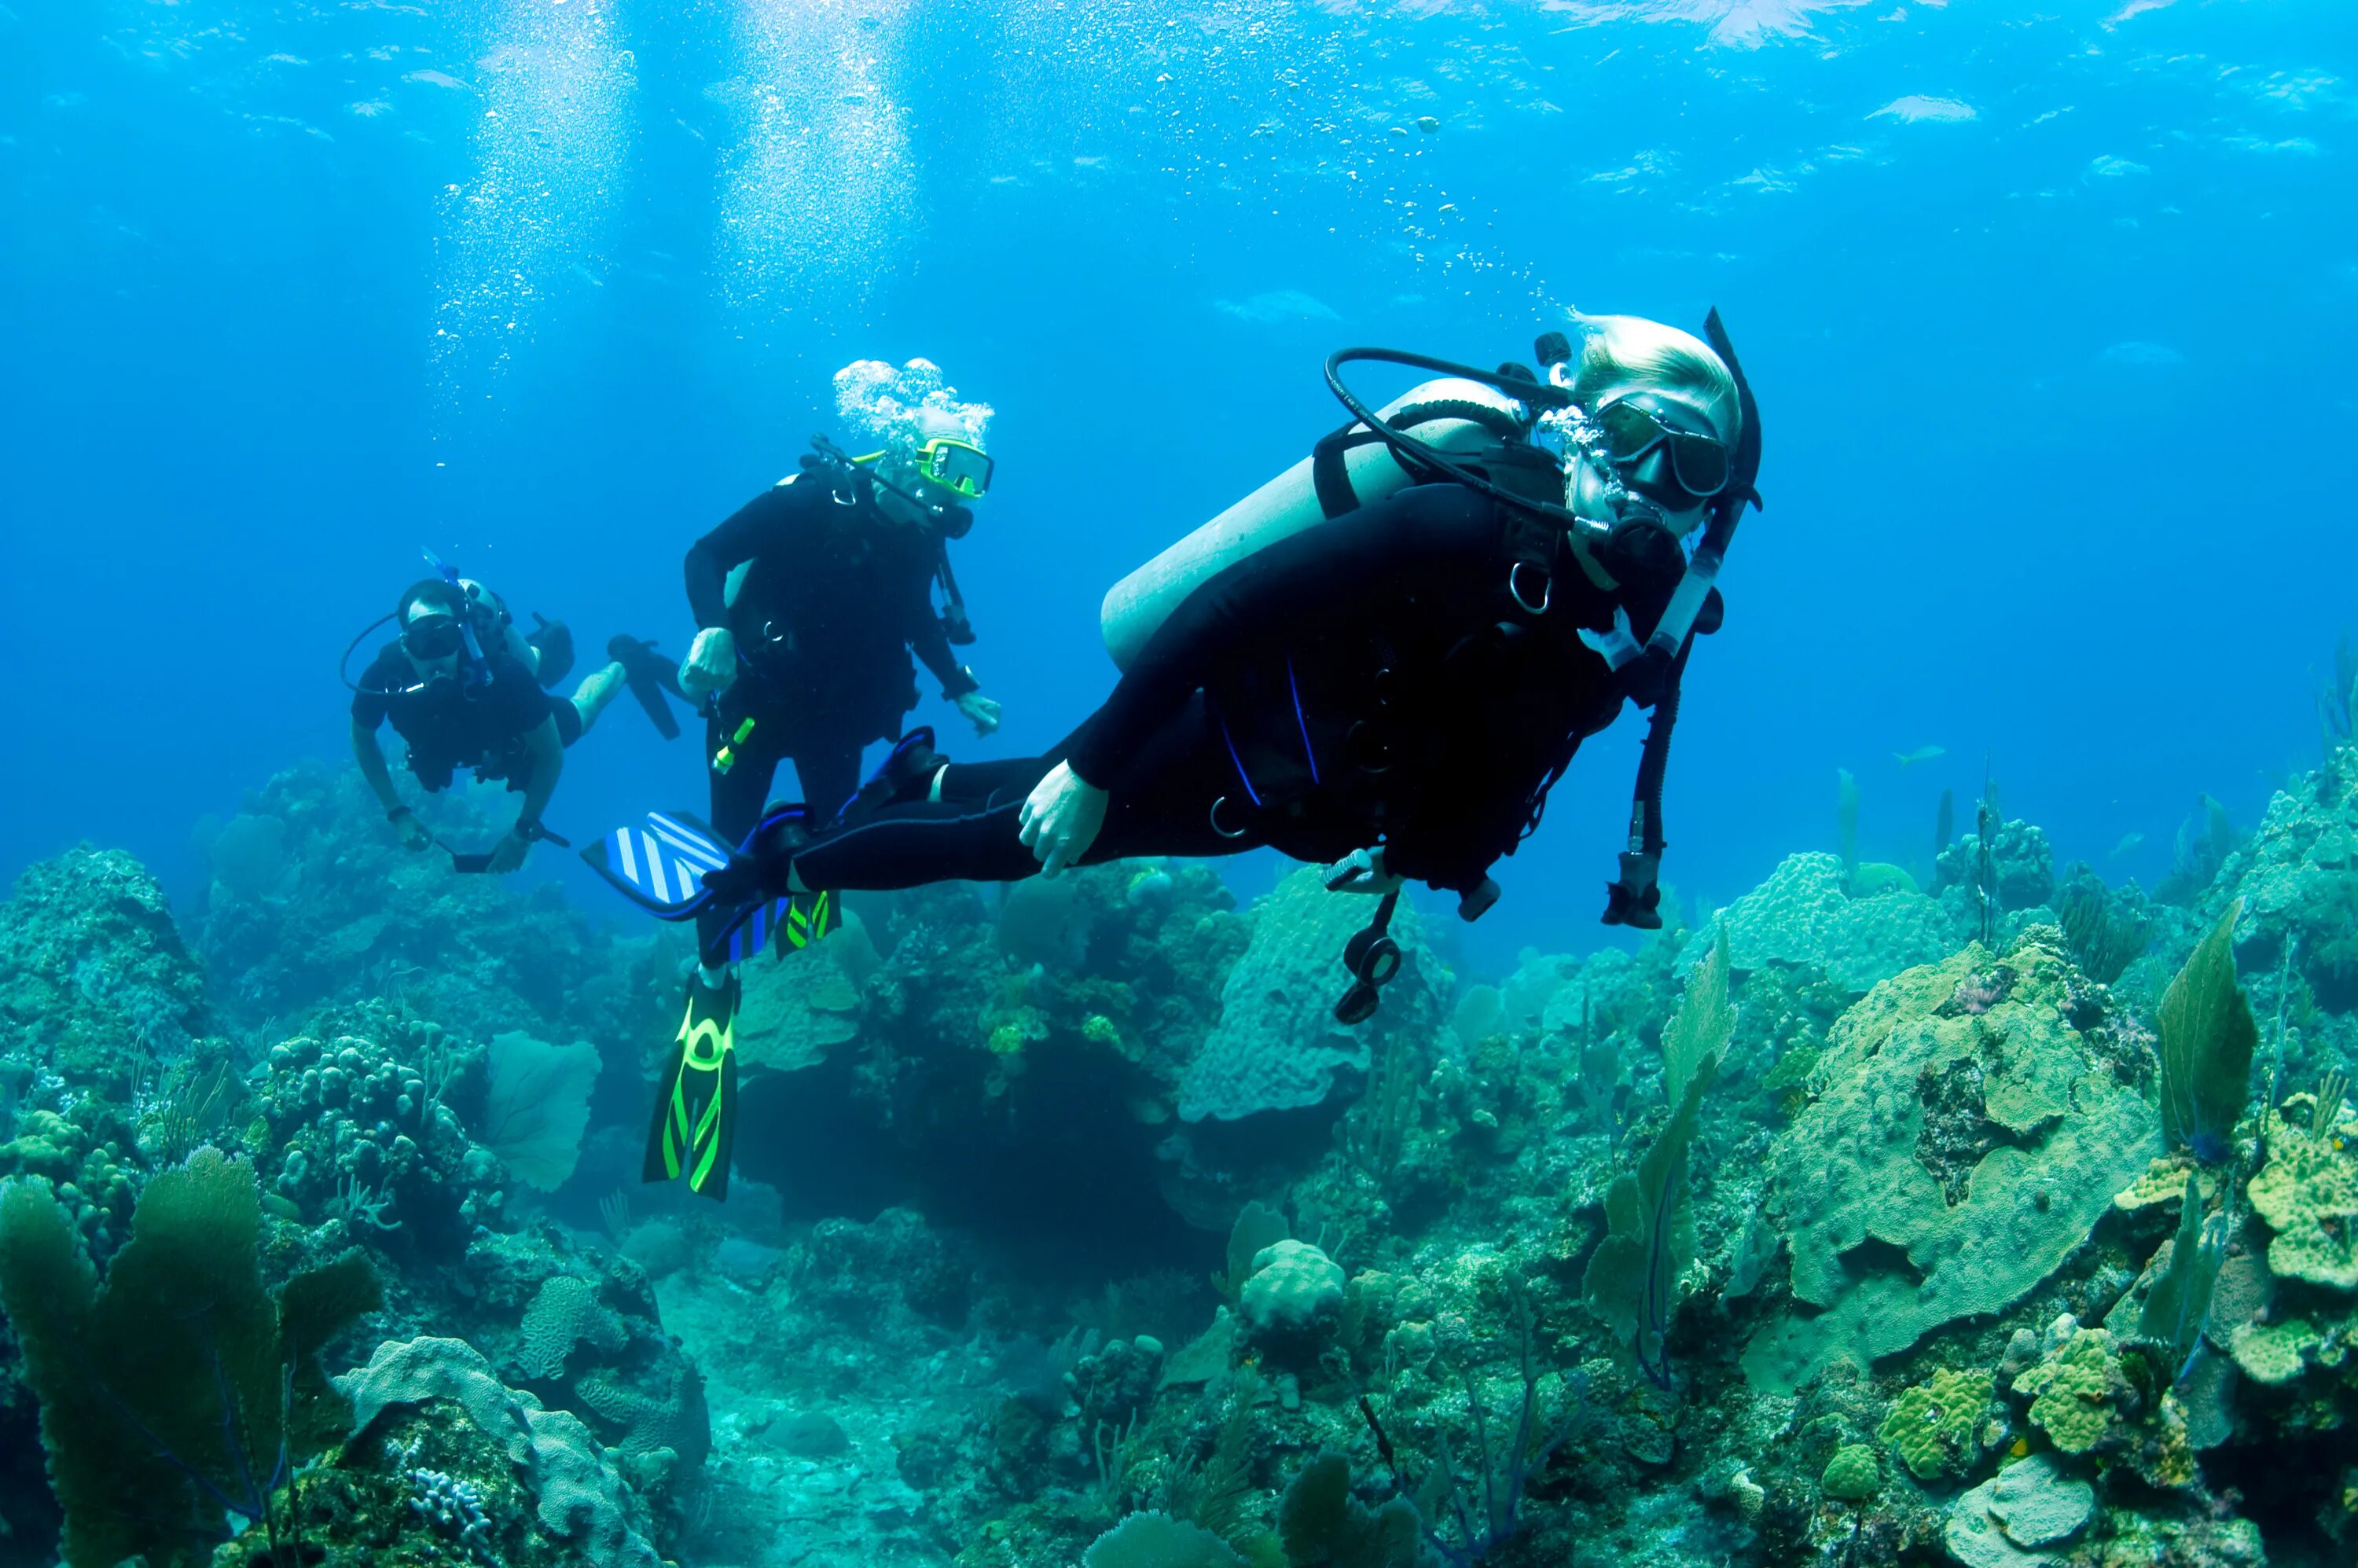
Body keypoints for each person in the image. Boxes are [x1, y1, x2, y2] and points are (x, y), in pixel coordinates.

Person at [601, 313, 1760, 1200]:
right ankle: (779, 867)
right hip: (1230, 739)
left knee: (1011, 801)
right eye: (1642, 448)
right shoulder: (1467, 524)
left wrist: (1424, 851)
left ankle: (920, 779)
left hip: (1291, 802)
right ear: (1587, 435)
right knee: (1017, 844)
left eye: (1696, 470)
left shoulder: (1641, 620)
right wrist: (1100, 762)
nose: (1658, 490)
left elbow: (1512, 736)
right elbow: (1228, 604)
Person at [645, 358, 1007, 1196]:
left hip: (842, 714)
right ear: (907, 457)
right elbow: (705, 553)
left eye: (972, 476)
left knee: (834, 835)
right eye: (947, 467)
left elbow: (915, 614)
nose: (957, 493)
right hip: (758, 697)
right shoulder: (810, 500)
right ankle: (713, 975)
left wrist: (959, 685)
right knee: (730, 840)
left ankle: (801, 950)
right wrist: (711, 632)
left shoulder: (916, 536)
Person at [351, 576, 682, 872]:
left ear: (463, 635)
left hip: (510, 727)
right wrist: (396, 812)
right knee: (531, 672)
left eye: (446, 638)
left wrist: (523, 832)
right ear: (406, 645)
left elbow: (551, 754)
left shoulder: (505, 675)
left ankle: (624, 661)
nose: (435, 655)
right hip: (470, 732)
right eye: (423, 642)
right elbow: (363, 738)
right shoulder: (385, 675)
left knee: (582, 713)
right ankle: (537, 650)